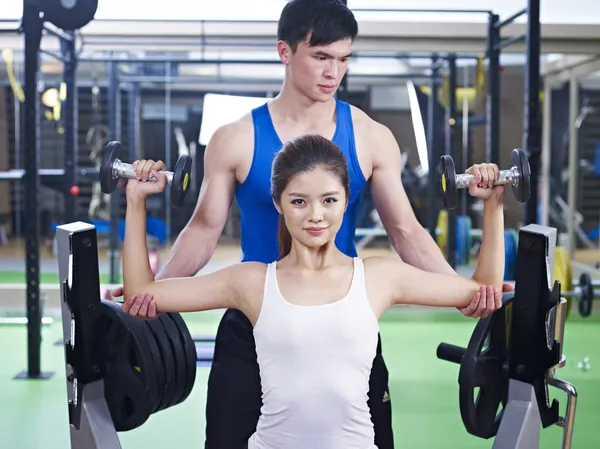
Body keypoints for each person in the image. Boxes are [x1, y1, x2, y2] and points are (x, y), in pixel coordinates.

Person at [113, 1, 513, 447]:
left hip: (346, 316)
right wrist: (153, 300)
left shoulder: (370, 135)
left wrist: (464, 293)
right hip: (255, 316)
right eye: (321, 57)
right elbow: (204, 230)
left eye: (343, 59)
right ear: (285, 52)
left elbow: (406, 231)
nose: (334, 72)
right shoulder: (236, 138)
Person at [121, 134, 505, 449]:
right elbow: (144, 293)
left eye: (329, 200)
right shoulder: (251, 282)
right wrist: (136, 201)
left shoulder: (379, 277)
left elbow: (480, 291)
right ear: (279, 204)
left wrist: (493, 205)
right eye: (299, 202)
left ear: (346, 201)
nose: (316, 215)